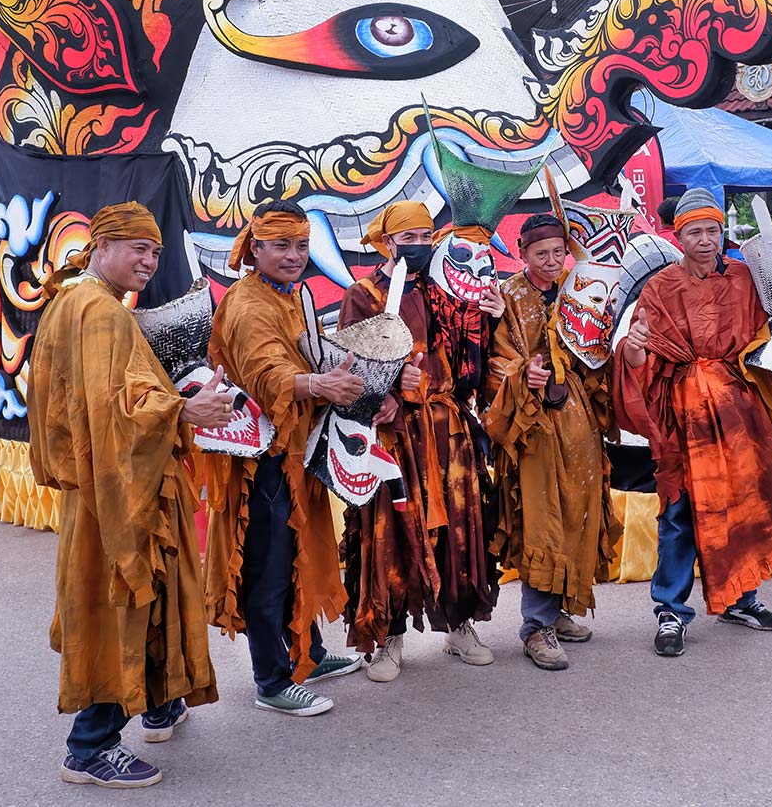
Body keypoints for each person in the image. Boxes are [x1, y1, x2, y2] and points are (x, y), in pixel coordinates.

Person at [28, 202, 232, 789]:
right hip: (116, 494)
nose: (148, 260)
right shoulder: (102, 315)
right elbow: (112, 414)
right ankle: (89, 748)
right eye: (137, 248)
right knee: (123, 598)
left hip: (96, 489)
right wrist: (184, 410)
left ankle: (161, 699)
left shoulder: (72, 303)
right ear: (102, 246)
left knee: (141, 593)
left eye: (155, 251)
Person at [201, 201, 369, 720]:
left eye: (301, 245)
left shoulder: (286, 293)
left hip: (290, 447)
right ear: (255, 248)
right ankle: (271, 678)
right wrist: (320, 383)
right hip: (261, 459)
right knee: (269, 565)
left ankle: (308, 655)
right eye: (281, 246)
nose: (294, 256)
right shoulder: (250, 303)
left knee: (295, 549)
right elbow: (266, 377)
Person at [614, 187, 772, 657]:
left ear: (722, 232)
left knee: (745, 505)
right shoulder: (660, 288)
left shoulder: (745, 278)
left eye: (712, 230)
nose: (705, 239)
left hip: (739, 415)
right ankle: (671, 611)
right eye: (694, 231)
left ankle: (743, 597)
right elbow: (639, 354)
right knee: (678, 515)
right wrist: (633, 349)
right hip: (684, 417)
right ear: (679, 237)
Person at [339, 201, 502, 681]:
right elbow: (350, 364)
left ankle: (461, 625)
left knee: (459, 529)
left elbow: (469, 354)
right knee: (392, 534)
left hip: (448, 431)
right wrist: (386, 388)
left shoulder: (444, 289)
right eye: (408, 236)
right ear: (387, 242)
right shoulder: (363, 295)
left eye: (427, 236)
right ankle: (388, 637)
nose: (418, 244)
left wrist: (489, 316)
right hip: (393, 438)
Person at [483, 214, 621, 671]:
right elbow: (495, 361)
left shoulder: (581, 290)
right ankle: (535, 626)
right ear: (522, 254)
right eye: (539, 254)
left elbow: (596, 351)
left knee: (578, 512)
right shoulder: (506, 297)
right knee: (542, 518)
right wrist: (524, 375)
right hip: (532, 425)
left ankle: (559, 611)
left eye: (558, 253)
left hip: (578, 420)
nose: (550, 261)